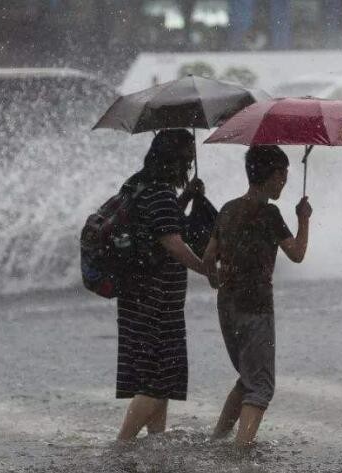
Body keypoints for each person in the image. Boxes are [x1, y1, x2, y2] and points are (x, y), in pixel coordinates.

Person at [202, 145, 312, 449]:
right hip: (257, 306)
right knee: (261, 386)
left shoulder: (227, 209)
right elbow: (298, 254)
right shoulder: (269, 213)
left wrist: (215, 282)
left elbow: (208, 256)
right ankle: (240, 454)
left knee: (247, 377)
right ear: (274, 175)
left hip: (227, 305)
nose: (285, 182)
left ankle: (217, 439)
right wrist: (303, 218)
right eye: (284, 176)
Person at [115, 129, 206, 441]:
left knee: (160, 376)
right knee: (158, 378)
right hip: (156, 301)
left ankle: (155, 440)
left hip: (135, 297)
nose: (190, 166)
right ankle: (122, 445)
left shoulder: (138, 185)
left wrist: (186, 198)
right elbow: (172, 242)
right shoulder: (160, 193)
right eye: (188, 160)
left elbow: (154, 226)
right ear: (175, 160)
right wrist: (208, 270)